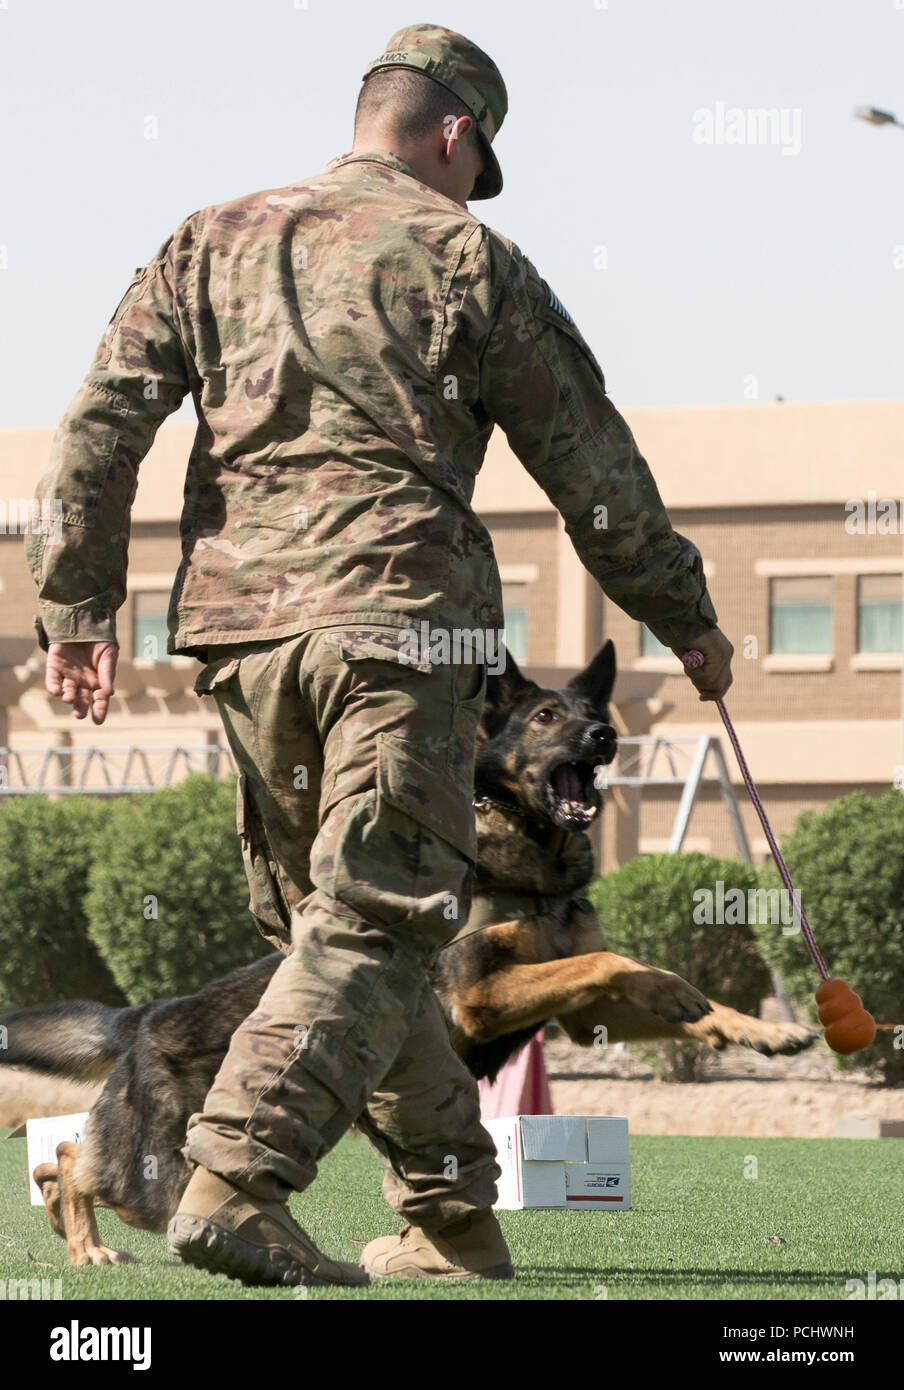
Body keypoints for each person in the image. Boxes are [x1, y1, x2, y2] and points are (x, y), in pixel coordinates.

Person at [26, 23, 733, 1286]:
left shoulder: (206, 238)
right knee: (374, 916)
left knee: (357, 924)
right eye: (479, 160)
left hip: (242, 641)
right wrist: (682, 614)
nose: (472, 183)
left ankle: (449, 1219)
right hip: (400, 632)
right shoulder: (469, 255)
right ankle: (236, 1175)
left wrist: (79, 613)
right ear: (455, 135)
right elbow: (593, 465)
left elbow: (95, 429)